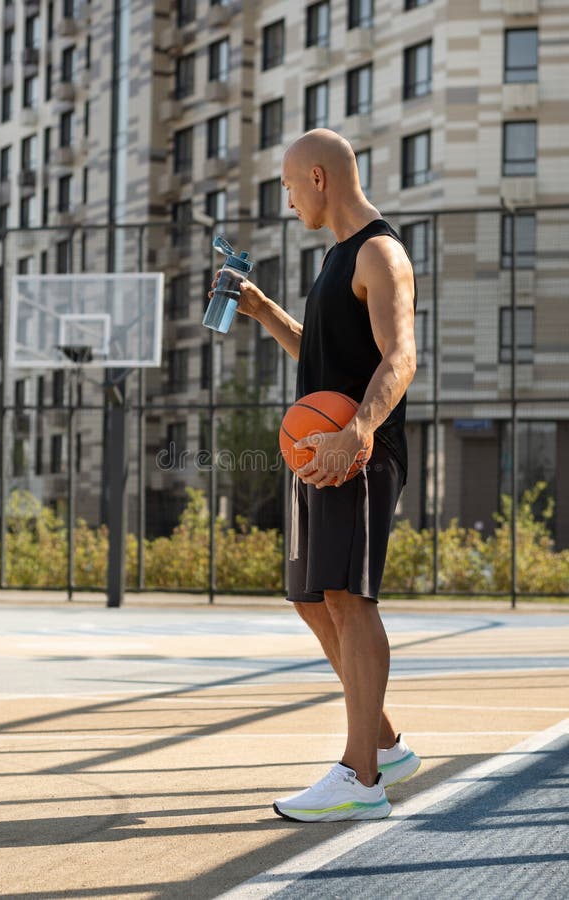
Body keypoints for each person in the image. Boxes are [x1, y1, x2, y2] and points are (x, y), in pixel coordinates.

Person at [209, 128, 420, 822]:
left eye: (290, 183)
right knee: (311, 596)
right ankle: (383, 742)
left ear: (321, 178)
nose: (287, 195)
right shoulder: (334, 260)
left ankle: (361, 778)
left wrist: (357, 431)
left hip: (358, 452)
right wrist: (267, 311)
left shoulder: (380, 253)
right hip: (321, 451)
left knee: (349, 597)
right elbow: (323, 353)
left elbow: (400, 358)